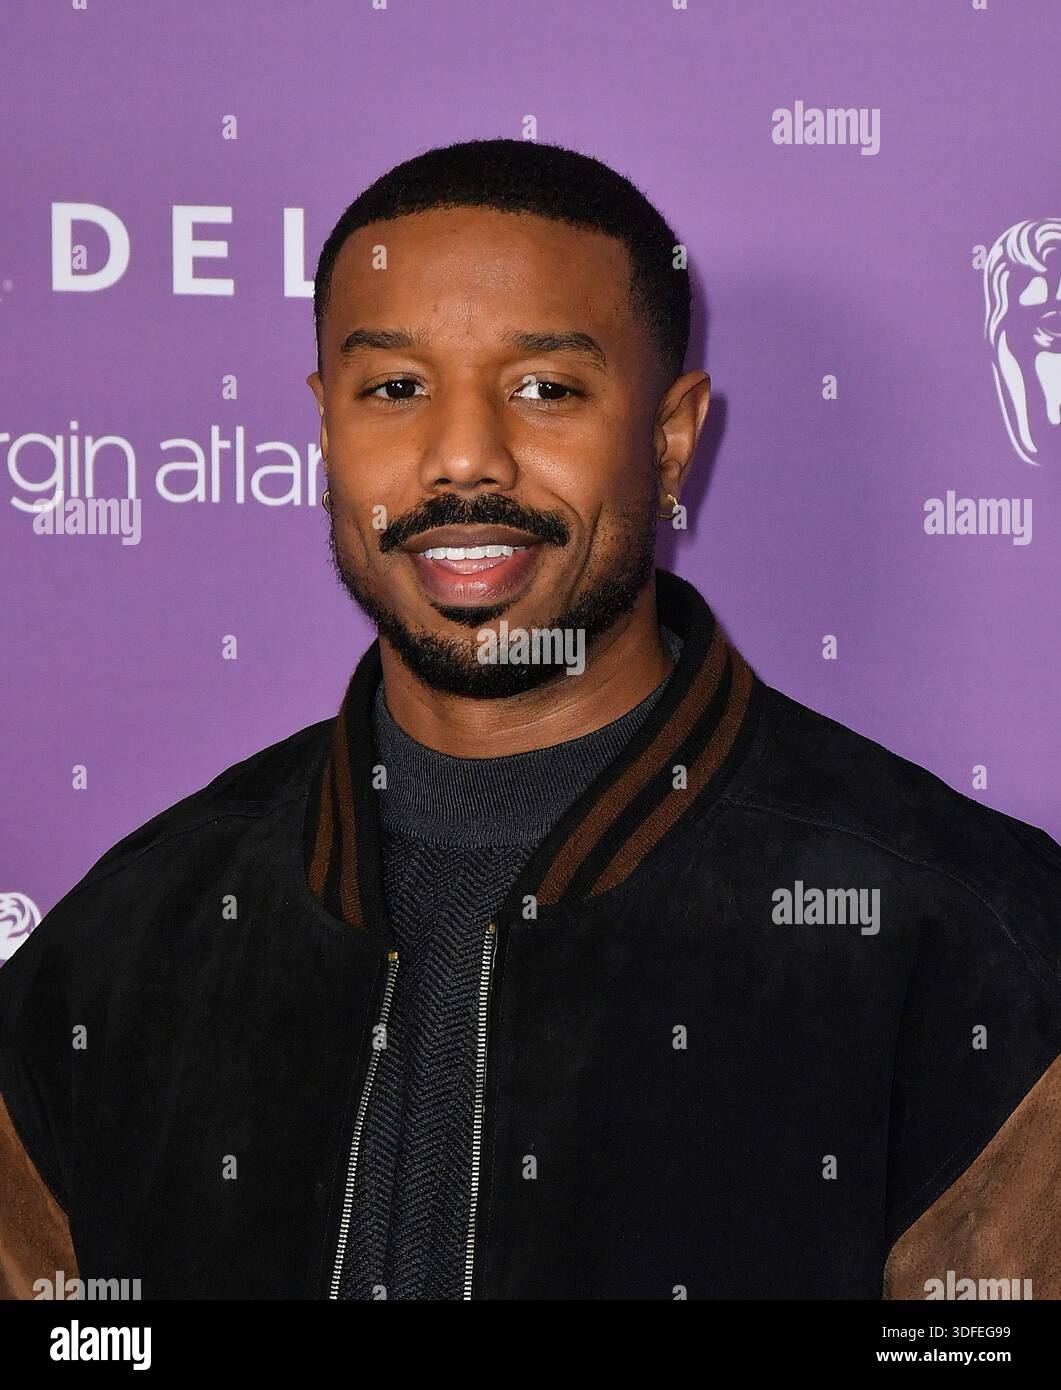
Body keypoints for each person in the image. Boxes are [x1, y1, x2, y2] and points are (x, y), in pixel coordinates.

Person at [2, 138, 1059, 1302]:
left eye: (544, 389)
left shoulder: (961, 935)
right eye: (393, 388)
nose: (461, 457)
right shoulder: (127, 937)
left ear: (668, 435)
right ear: (323, 427)